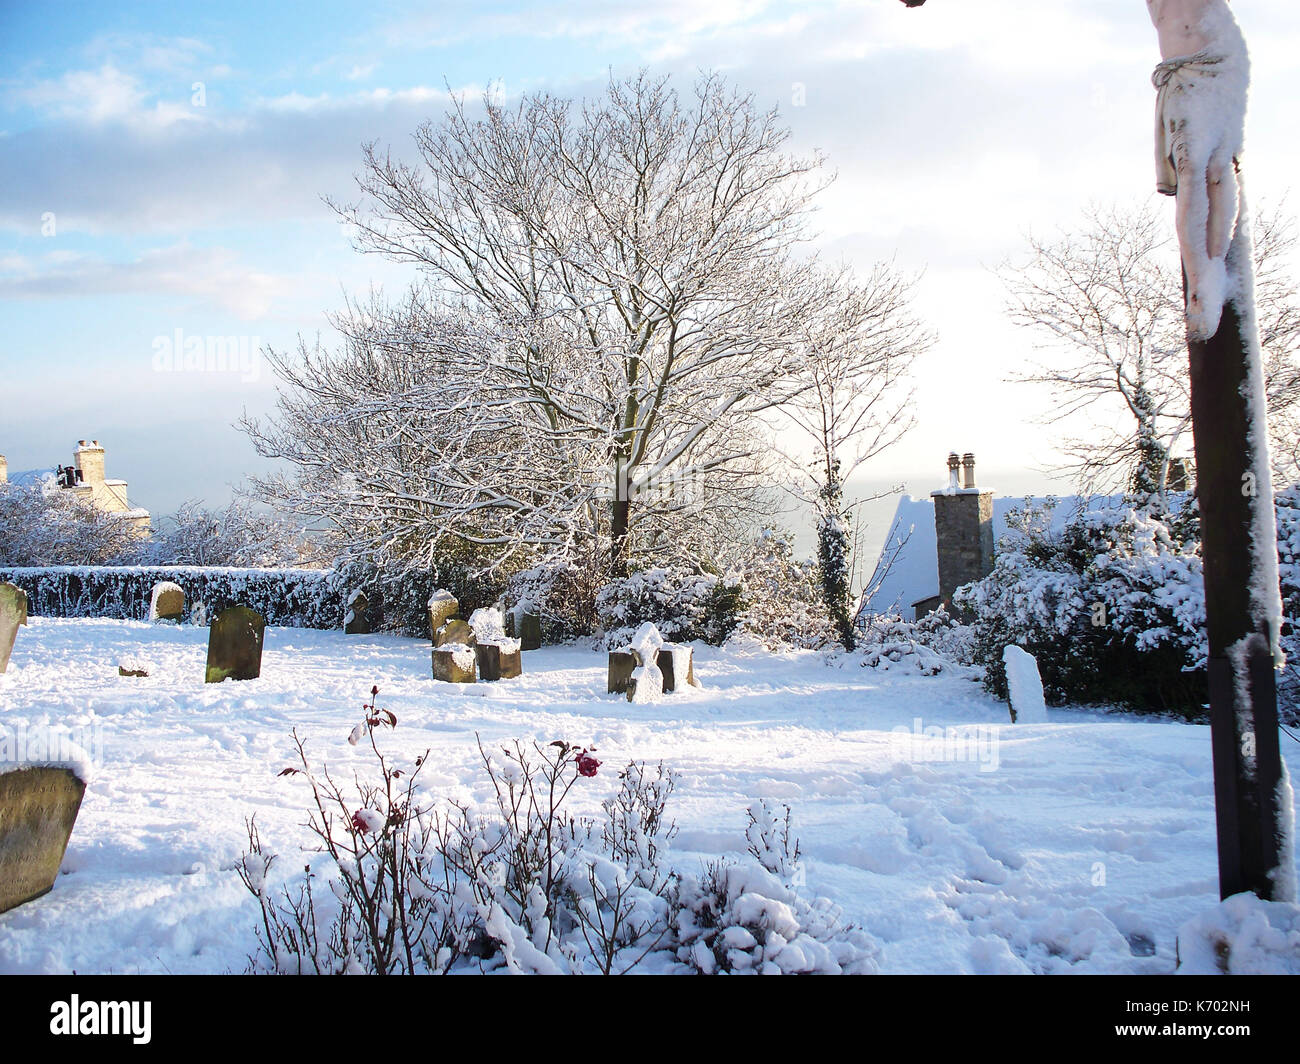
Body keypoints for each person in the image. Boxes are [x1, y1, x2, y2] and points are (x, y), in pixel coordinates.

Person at [1146, 0, 1249, 341]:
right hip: (1183, 73)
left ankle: (1215, 272)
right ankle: (1198, 282)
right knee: (1191, 168)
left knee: (1219, 173)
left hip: (1223, 61)